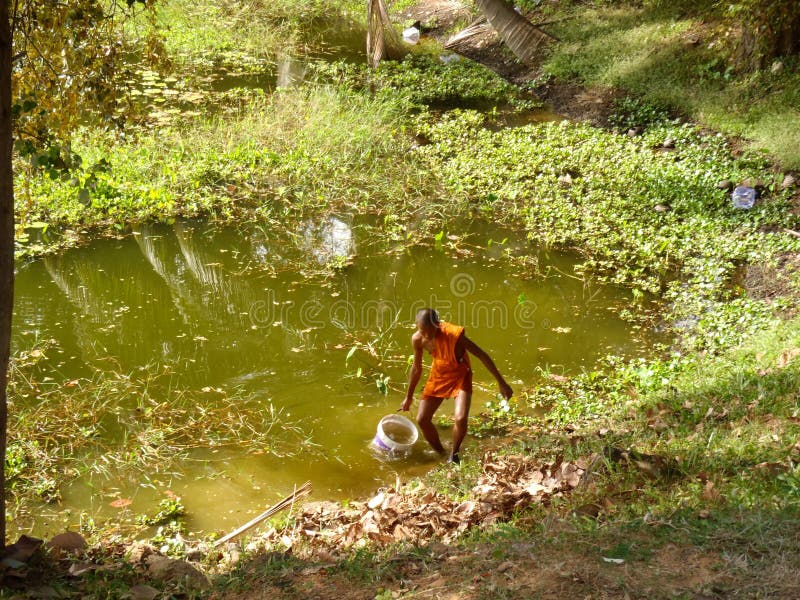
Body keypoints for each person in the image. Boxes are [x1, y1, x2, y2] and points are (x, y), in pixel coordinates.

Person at [400, 308, 513, 464]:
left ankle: (454, 454)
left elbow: (481, 355)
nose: (425, 335)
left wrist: (502, 382)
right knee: (422, 419)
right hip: (439, 375)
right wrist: (408, 396)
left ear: (437, 325)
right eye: (421, 330)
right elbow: (416, 368)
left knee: (460, 418)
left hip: (460, 375)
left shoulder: (453, 335)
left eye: (429, 330)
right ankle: (441, 453)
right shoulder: (418, 339)